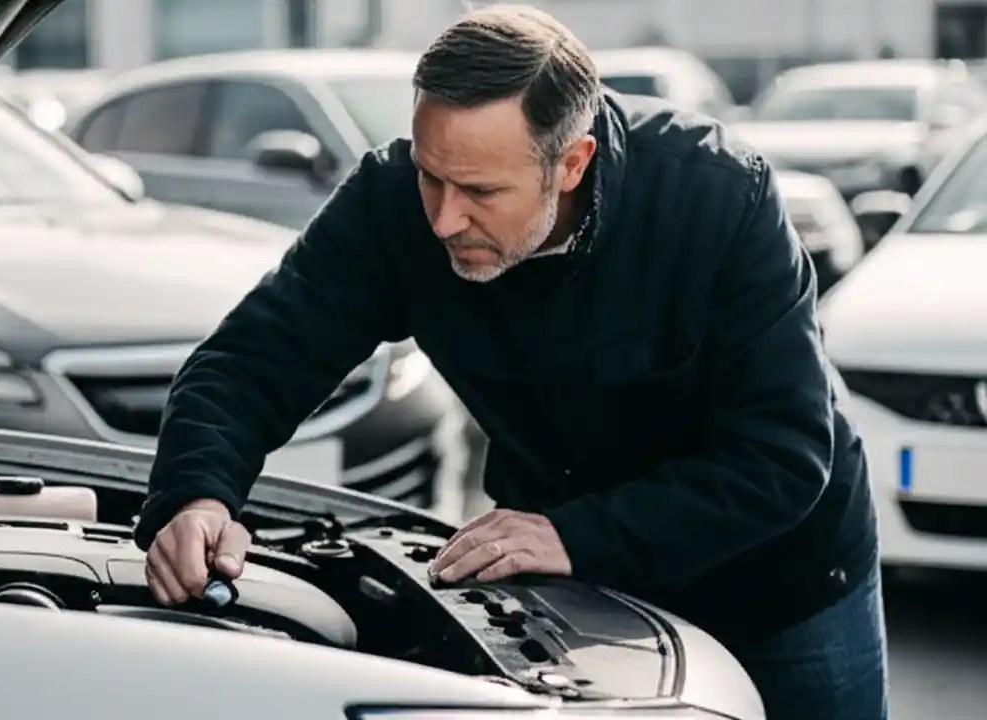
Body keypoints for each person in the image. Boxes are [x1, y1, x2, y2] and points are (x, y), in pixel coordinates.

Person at [131, 5, 886, 718]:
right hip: (573, 589)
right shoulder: (394, 204)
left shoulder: (718, 196)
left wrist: (575, 535)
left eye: (481, 191)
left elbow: (780, 459)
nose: (442, 217)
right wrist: (198, 494)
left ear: (572, 162)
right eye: (432, 175)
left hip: (782, 587)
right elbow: (250, 360)